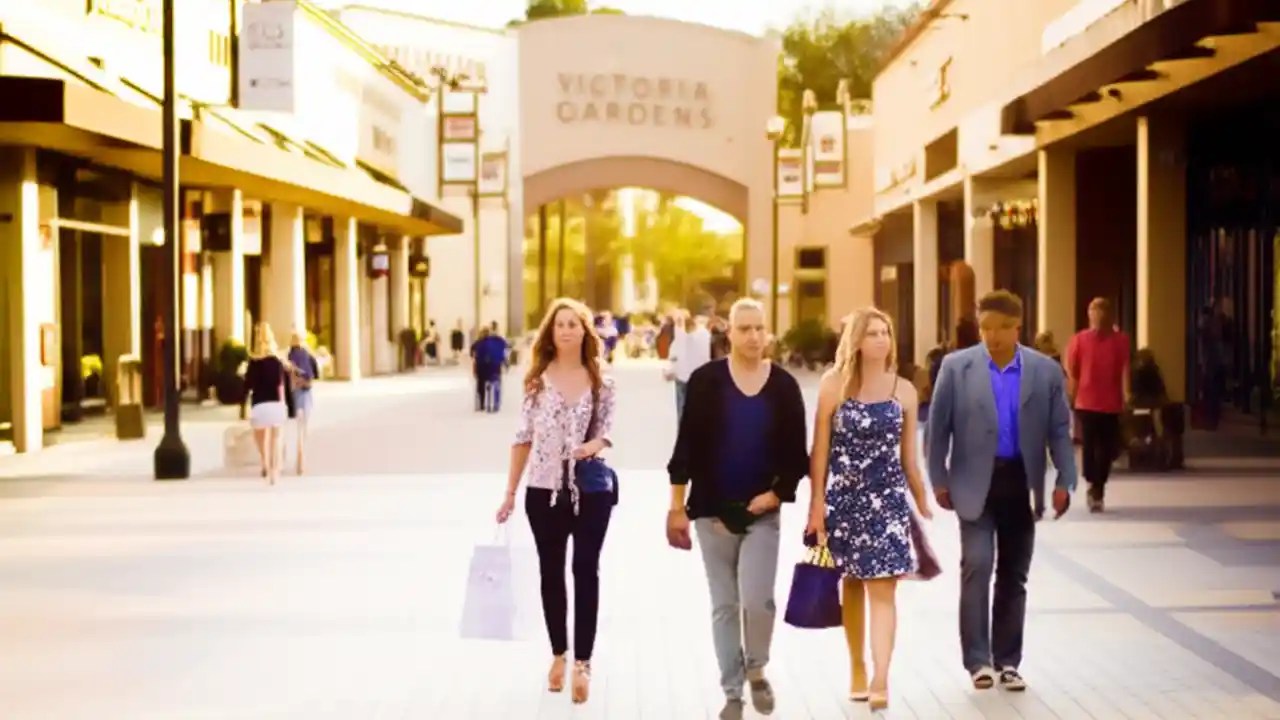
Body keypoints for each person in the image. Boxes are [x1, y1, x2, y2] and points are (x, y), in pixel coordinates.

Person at [665, 298, 809, 720]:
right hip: (712, 512)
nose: (752, 336)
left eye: (759, 328)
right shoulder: (706, 382)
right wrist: (677, 508)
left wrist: (776, 495)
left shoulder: (783, 386)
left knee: (758, 600)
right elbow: (685, 448)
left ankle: (757, 667)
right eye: (744, 328)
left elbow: (796, 458)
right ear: (728, 332)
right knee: (724, 604)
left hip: (762, 512)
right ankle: (732, 692)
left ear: (768, 333)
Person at [927, 290, 1077, 692]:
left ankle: (1008, 660)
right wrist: (938, 479)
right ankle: (978, 661)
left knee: (1013, 574)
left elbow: (1060, 431)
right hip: (974, 483)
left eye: (1000, 328)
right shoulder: (956, 368)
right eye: (985, 328)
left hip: (1022, 484)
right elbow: (937, 428)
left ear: (1017, 328)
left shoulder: (1045, 372)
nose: (991, 336)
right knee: (977, 565)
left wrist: (1066, 479)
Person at [808, 307, 931, 711]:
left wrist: (923, 498)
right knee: (853, 585)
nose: (881, 339)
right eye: (873, 333)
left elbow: (909, 458)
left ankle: (881, 677)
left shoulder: (905, 390)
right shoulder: (833, 385)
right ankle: (857, 666)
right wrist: (817, 508)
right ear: (857, 341)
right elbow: (820, 453)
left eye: (886, 332)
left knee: (884, 589)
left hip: (889, 501)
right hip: (845, 501)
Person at [495, 298, 616, 705]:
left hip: (591, 493)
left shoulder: (602, 381)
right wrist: (510, 492)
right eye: (559, 324)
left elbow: (607, 432)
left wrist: (592, 444)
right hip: (542, 492)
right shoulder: (535, 382)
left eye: (573, 324)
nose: (566, 330)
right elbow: (522, 438)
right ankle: (558, 655)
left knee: (585, 569)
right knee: (551, 573)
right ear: (551, 332)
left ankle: (584, 662)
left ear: (584, 331)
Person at [1065, 297, 1130, 513]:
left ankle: (1098, 485)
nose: (1098, 316)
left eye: (1102, 311)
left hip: (1111, 403)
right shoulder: (1080, 340)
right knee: (1090, 445)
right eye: (1094, 311)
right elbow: (1072, 369)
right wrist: (1071, 395)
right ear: (1089, 315)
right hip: (1087, 401)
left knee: (1108, 448)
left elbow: (1125, 369)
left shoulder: (1121, 340)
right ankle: (1093, 484)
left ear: (1110, 315)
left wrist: (1126, 394)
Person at [241, 323, 295, 484]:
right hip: (275, 404)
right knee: (276, 439)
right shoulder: (278, 362)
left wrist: (242, 407)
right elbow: (283, 387)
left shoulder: (253, 363)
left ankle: (264, 461)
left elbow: (247, 386)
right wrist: (290, 409)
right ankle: (274, 472)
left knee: (260, 436)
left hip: (259, 406)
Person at [665, 309, 712, 422]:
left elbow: (675, 356)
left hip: (684, 378)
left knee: (683, 412)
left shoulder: (682, 334)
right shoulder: (703, 334)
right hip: (697, 378)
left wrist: (672, 370)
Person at [286, 332, 319, 475]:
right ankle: (301, 460)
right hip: (306, 393)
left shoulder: (289, 357)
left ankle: (299, 459)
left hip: (293, 394)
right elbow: (313, 377)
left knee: (298, 429)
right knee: (303, 429)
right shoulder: (309, 357)